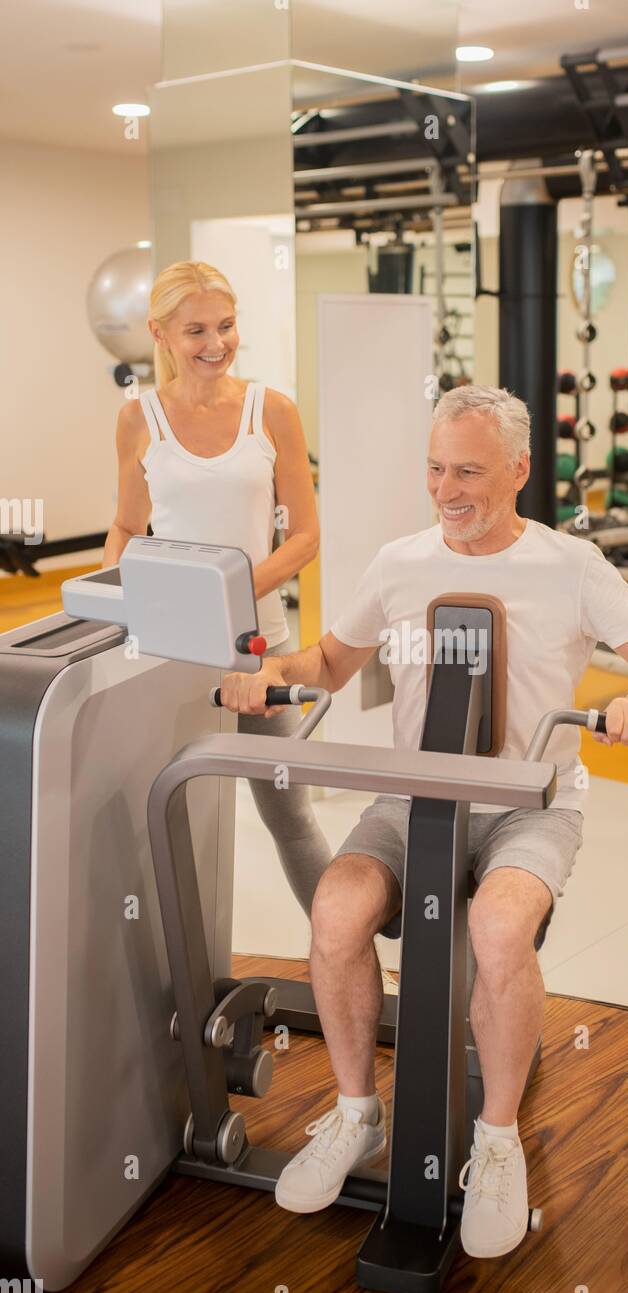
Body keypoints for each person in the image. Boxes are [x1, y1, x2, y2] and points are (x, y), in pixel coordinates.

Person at [218, 384, 628, 1259]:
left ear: (520, 469)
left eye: (469, 470)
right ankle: (358, 1112)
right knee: (334, 911)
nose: (448, 488)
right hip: (412, 798)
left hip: (529, 807)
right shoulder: (400, 561)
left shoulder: (570, 566)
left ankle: (499, 1138)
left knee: (498, 927)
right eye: (436, 468)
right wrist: (262, 670)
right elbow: (328, 661)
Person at [103, 260, 331, 917]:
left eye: (226, 327)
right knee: (165, 814)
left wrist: (221, 589)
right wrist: (111, 600)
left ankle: (350, 963)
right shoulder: (137, 419)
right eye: (196, 330)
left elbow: (305, 538)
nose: (215, 344)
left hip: (257, 648)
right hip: (166, 651)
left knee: (290, 816)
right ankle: (166, 979)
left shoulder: (273, 411)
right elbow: (124, 524)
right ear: (160, 334)